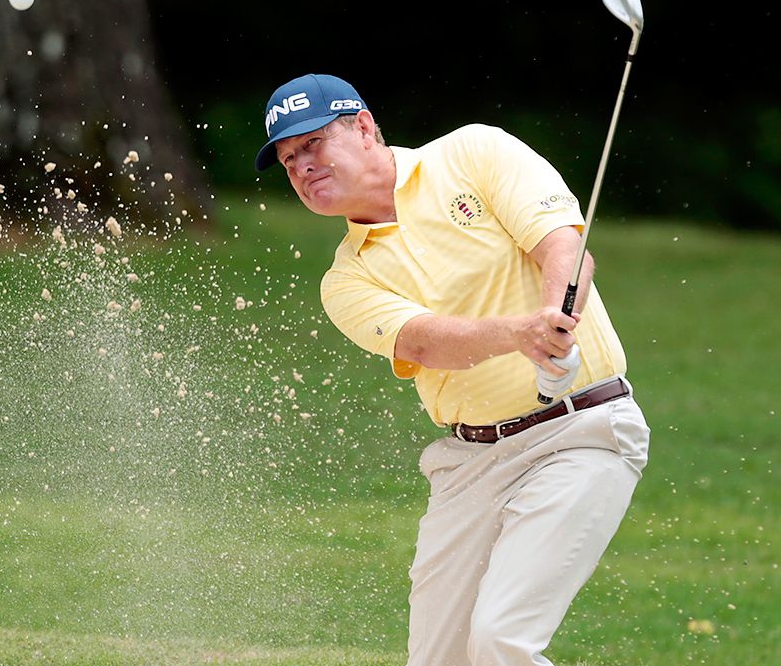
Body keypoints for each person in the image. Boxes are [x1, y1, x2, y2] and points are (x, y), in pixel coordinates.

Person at [255, 74, 650, 666]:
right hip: (471, 465)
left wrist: (551, 317)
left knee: (500, 640)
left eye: (312, 144)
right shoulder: (345, 280)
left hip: (582, 432)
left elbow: (563, 246)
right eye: (289, 161)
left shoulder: (473, 152)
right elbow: (429, 342)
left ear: (363, 127)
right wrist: (522, 335)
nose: (302, 166)